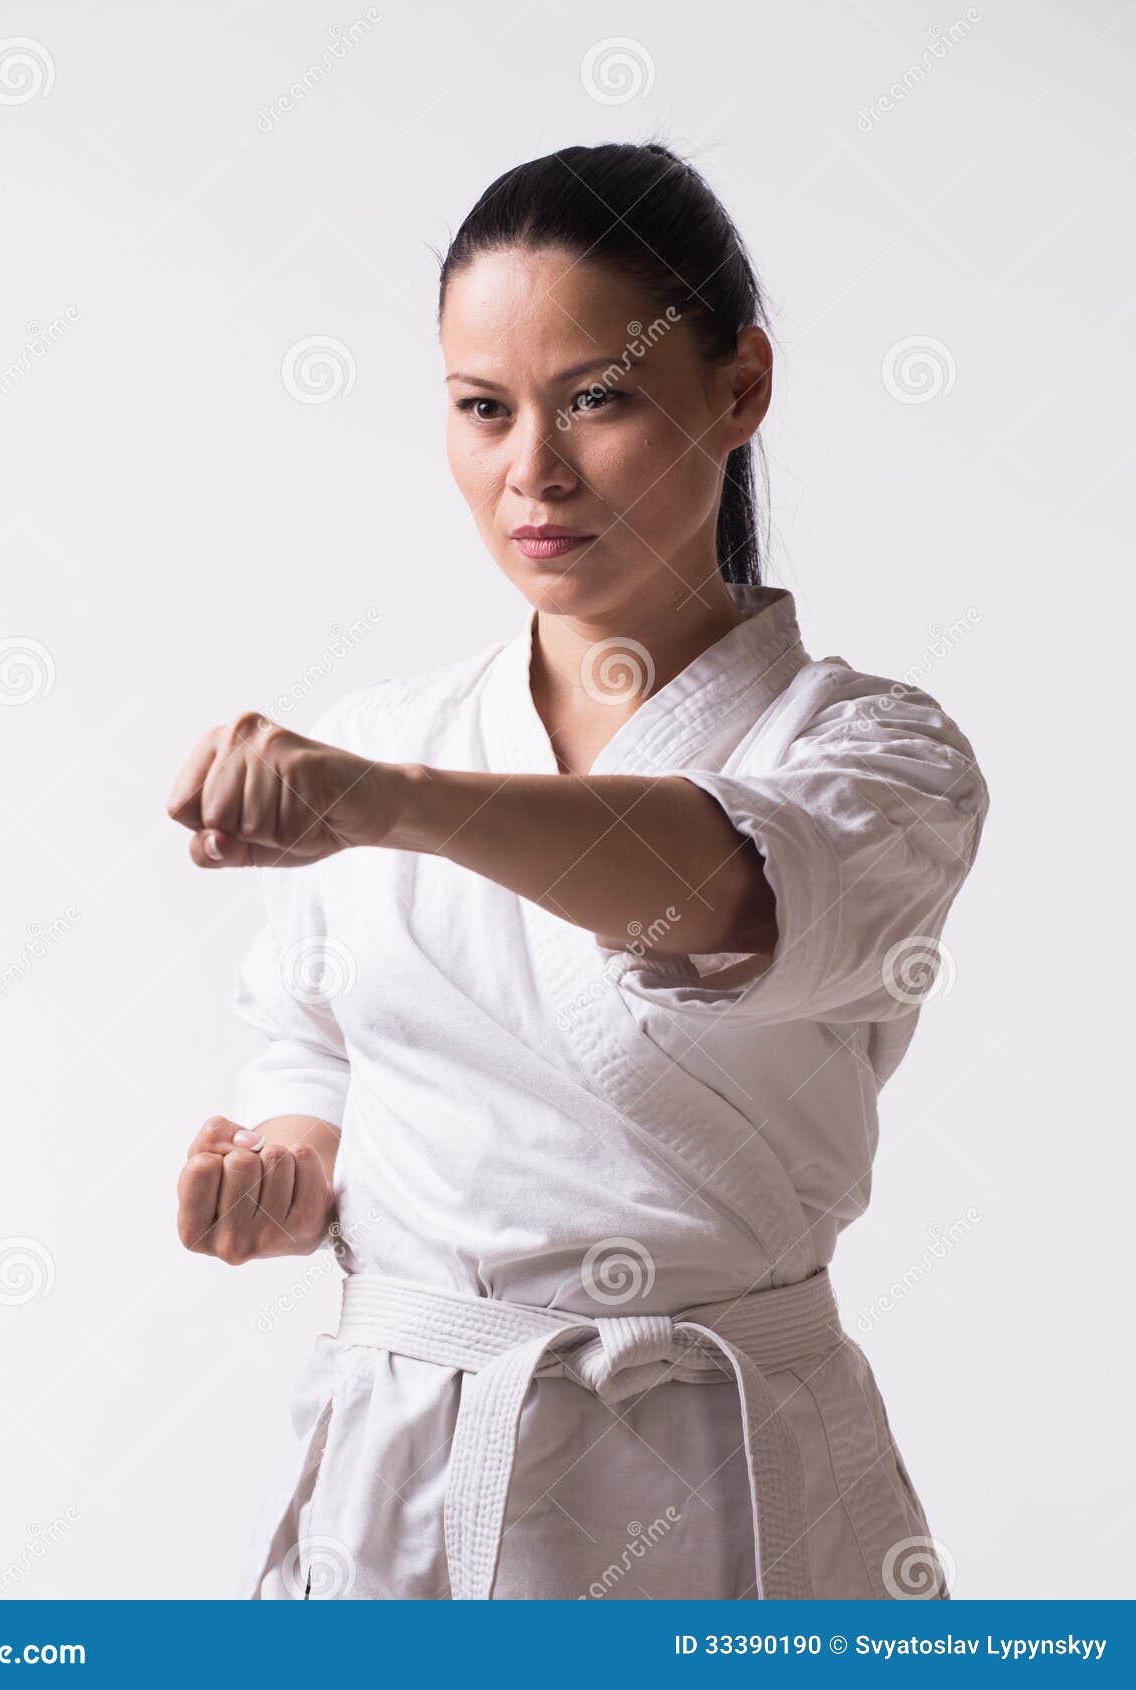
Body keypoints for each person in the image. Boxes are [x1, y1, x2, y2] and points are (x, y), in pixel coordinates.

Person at [167, 140, 987, 1601]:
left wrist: (389, 806)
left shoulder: (874, 753)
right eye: (483, 408)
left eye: (596, 398)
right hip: (411, 1473)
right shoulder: (387, 740)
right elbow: (311, 1042)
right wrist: (293, 1166)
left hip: (731, 1483)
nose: (530, 471)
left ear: (740, 387)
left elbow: (719, 892)